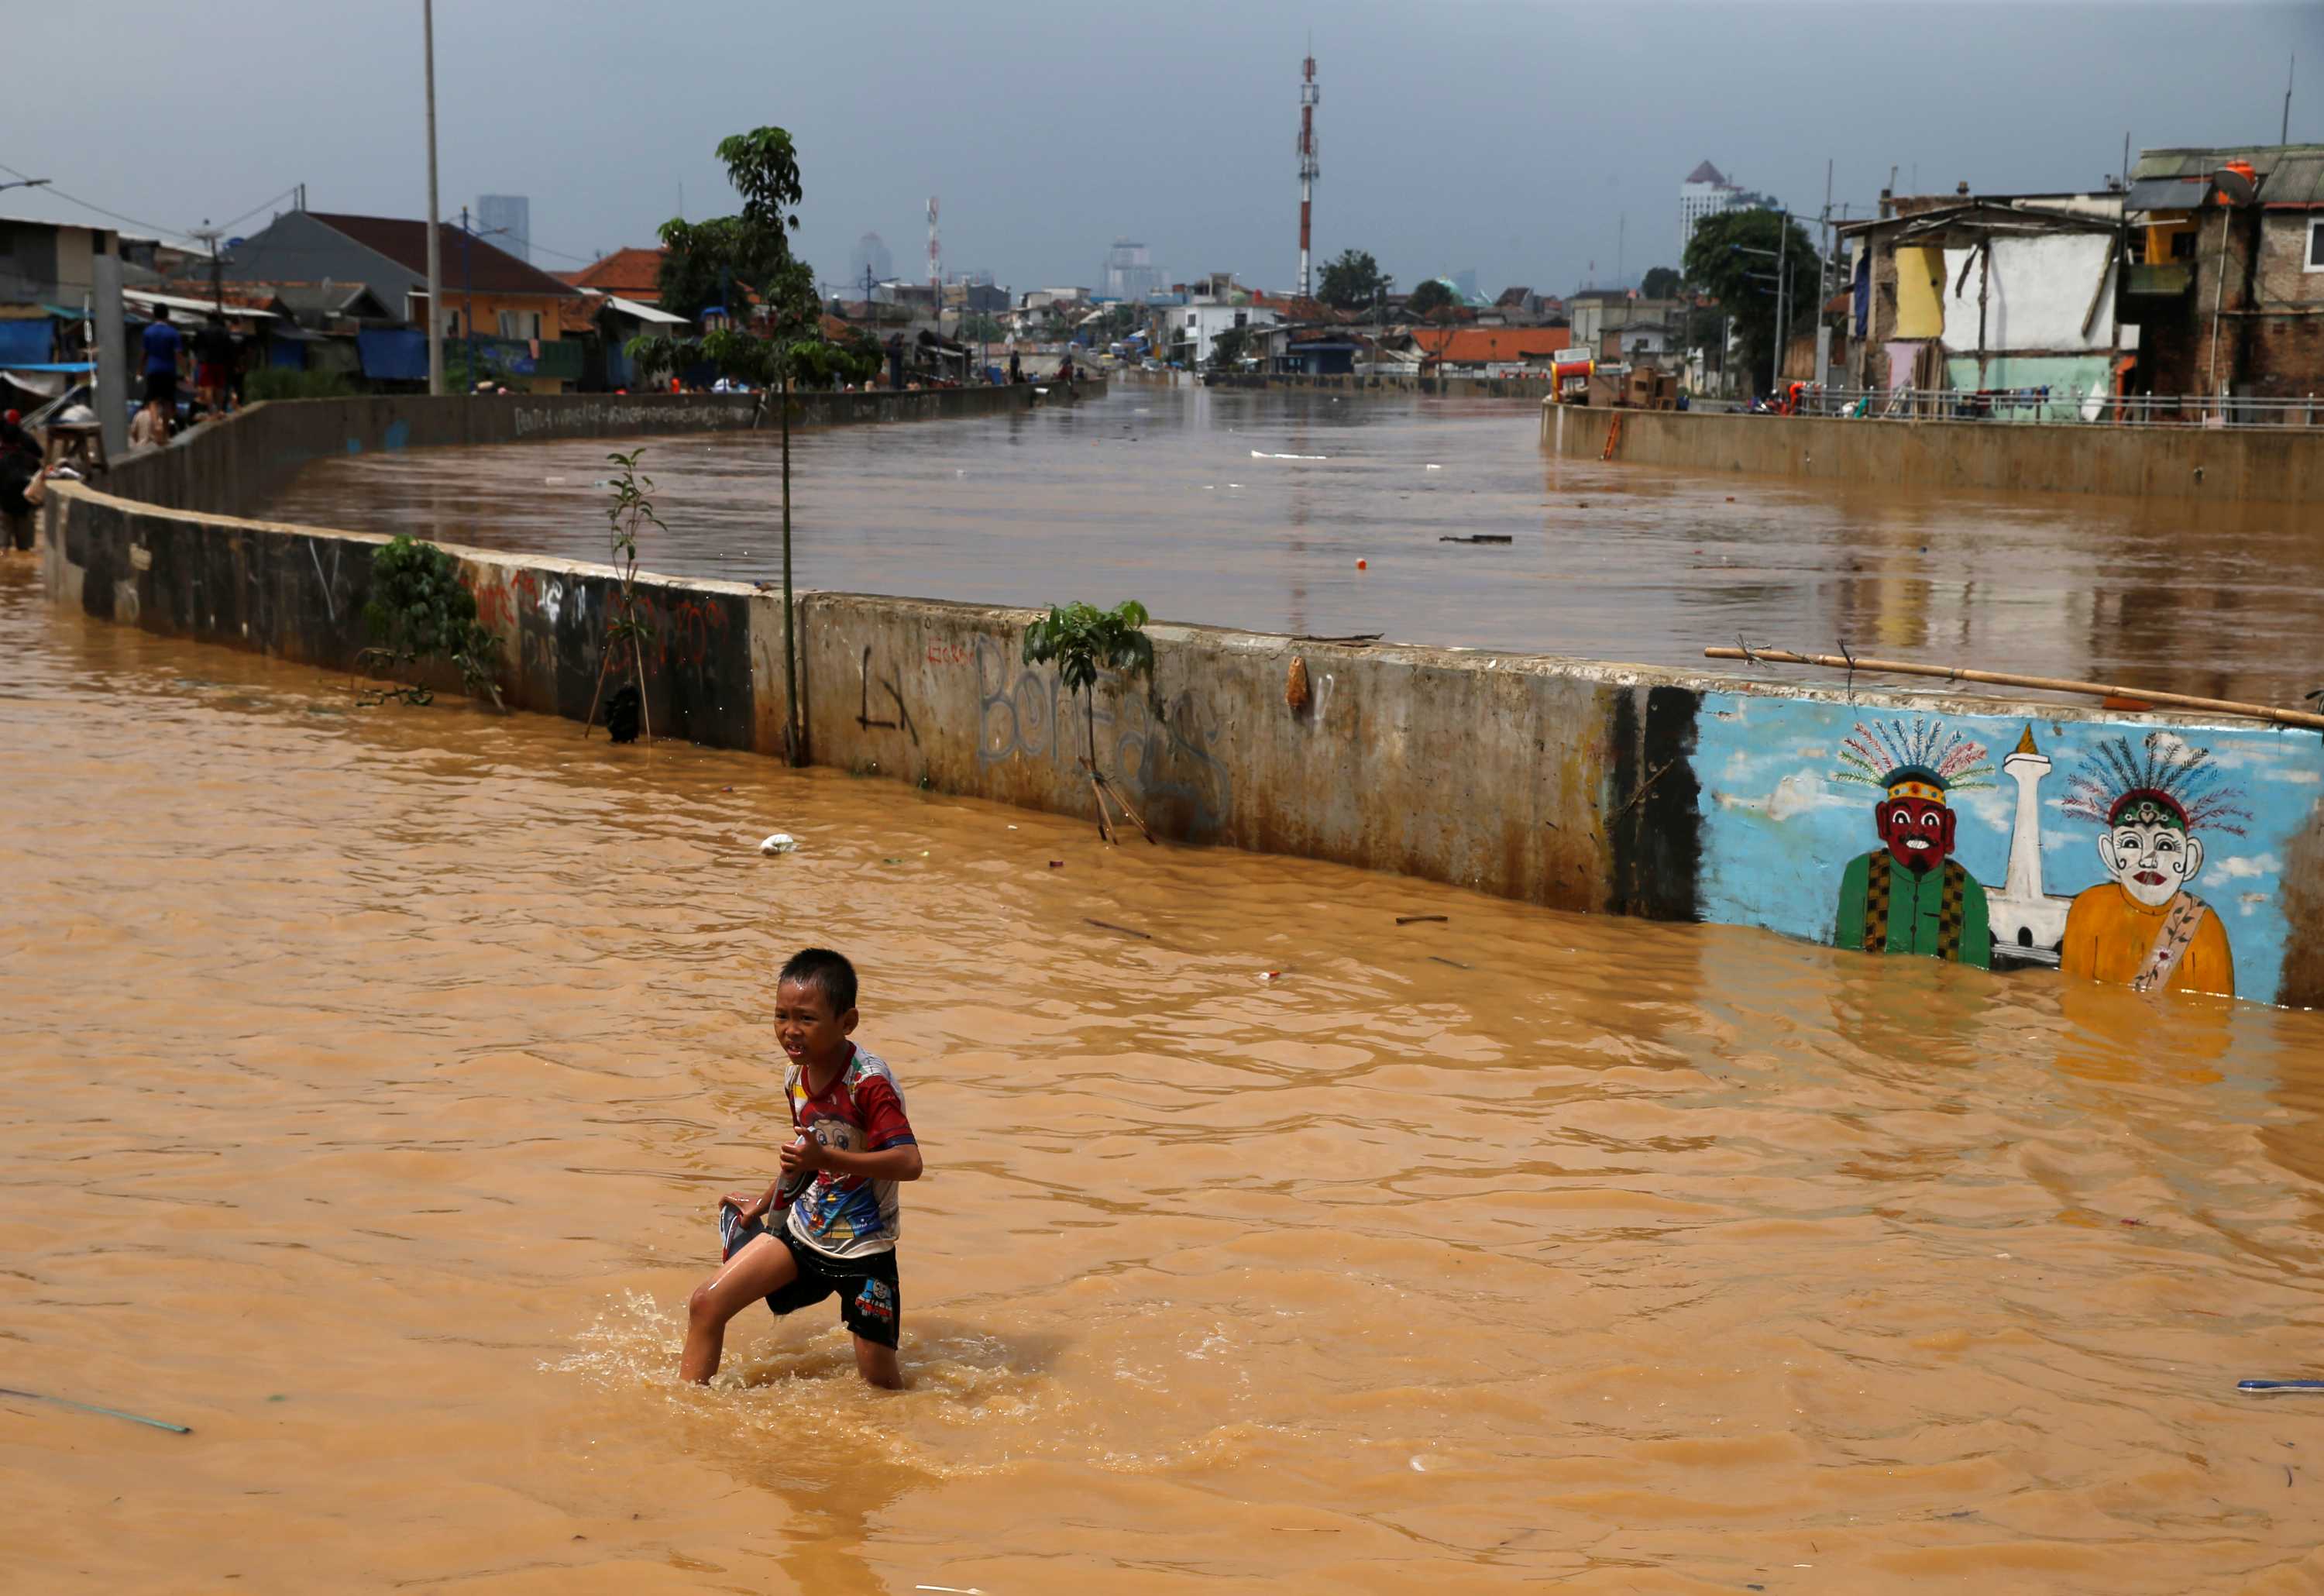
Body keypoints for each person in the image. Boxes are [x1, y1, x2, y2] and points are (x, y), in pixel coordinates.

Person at [682, 948, 923, 1389]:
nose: (790, 1031)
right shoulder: (797, 1076)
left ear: (847, 1022)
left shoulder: (868, 1083)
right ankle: (684, 1419)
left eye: (806, 1019)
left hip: (864, 1251)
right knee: (706, 1304)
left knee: (880, 1386)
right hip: (803, 1230)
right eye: (781, 1016)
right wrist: (769, 1198)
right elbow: (808, 1153)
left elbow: (909, 1162)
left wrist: (825, 1159)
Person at [142, 307, 182, 414]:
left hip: (153, 370)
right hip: (169, 371)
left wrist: (140, 369)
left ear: (154, 315)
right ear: (167, 316)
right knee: (168, 401)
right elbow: (178, 354)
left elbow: (144, 353)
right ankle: (165, 427)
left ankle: (156, 425)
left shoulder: (148, 332)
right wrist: (185, 372)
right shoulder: (173, 332)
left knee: (153, 399)